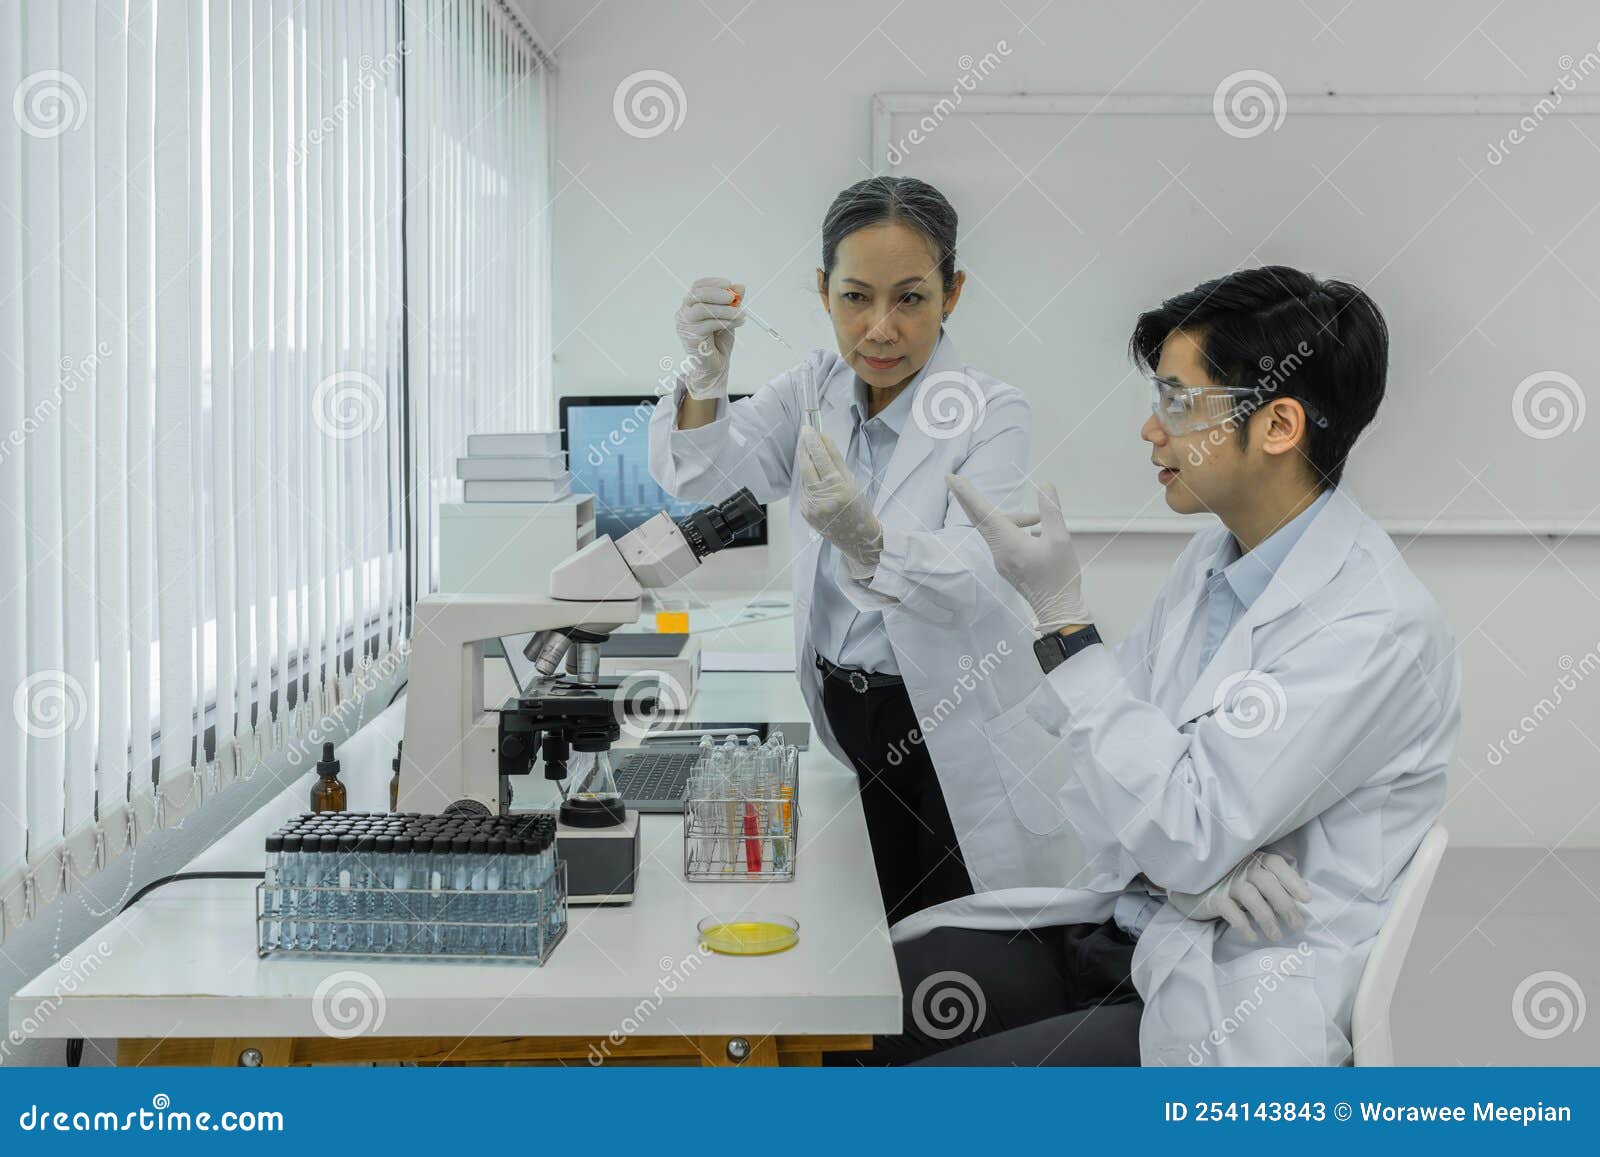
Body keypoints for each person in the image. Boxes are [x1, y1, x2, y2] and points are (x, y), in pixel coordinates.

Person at [867, 266, 1460, 1065]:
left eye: (1178, 402)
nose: (1152, 430)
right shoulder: (1215, 563)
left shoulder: (1373, 627)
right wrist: (1187, 867)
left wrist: (1068, 628)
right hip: (1138, 930)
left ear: (1279, 426)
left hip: (1225, 998)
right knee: (857, 1006)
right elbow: (1100, 773)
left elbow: (1180, 824)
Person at [649, 177, 1080, 920]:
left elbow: (979, 578)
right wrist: (703, 376)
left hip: (951, 717)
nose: (880, 328)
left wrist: (874, 546)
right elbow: (701, 473)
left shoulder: (990, 412)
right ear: (823, 291)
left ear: (954, 292)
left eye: (910, 297)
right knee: (864, 924)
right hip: (848, 713)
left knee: (950, 937)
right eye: (856, 297)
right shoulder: (810, 387)